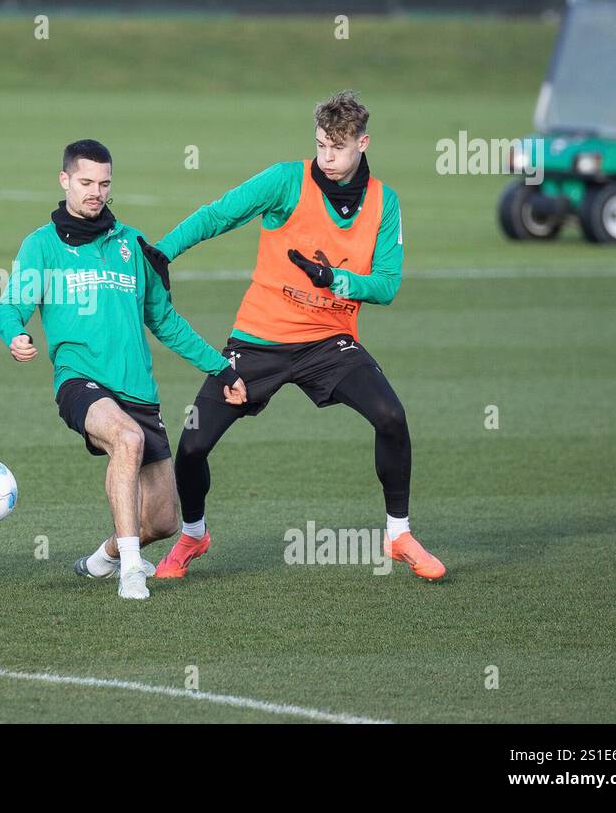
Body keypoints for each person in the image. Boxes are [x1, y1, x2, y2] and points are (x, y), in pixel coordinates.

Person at [146, 91, 446, 581]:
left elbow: (388, 285)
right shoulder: (287, 179)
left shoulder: (384, 202)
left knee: (391, 416)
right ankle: (194, 536)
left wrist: (336, 282)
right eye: (321, 145)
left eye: (338, 148)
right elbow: (219, 214)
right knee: (194, 446)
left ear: (363, 144)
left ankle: (399, 536)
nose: (326, 158)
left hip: (329, 342)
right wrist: (164, 252)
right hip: (258, 339)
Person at [0, 139, 247, 600]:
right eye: (86, 182)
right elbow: (12, 304)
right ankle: (132, 571)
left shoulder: (132, 244)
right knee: (125, 440)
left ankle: (106, 556)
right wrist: (15, 334)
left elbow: (165, 321)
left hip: (139, 391)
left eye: (104, 183)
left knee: (165, 520)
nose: (96, 192)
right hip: (80, 381)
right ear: (64, 180)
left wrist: (223, 369)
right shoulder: (41, 246)